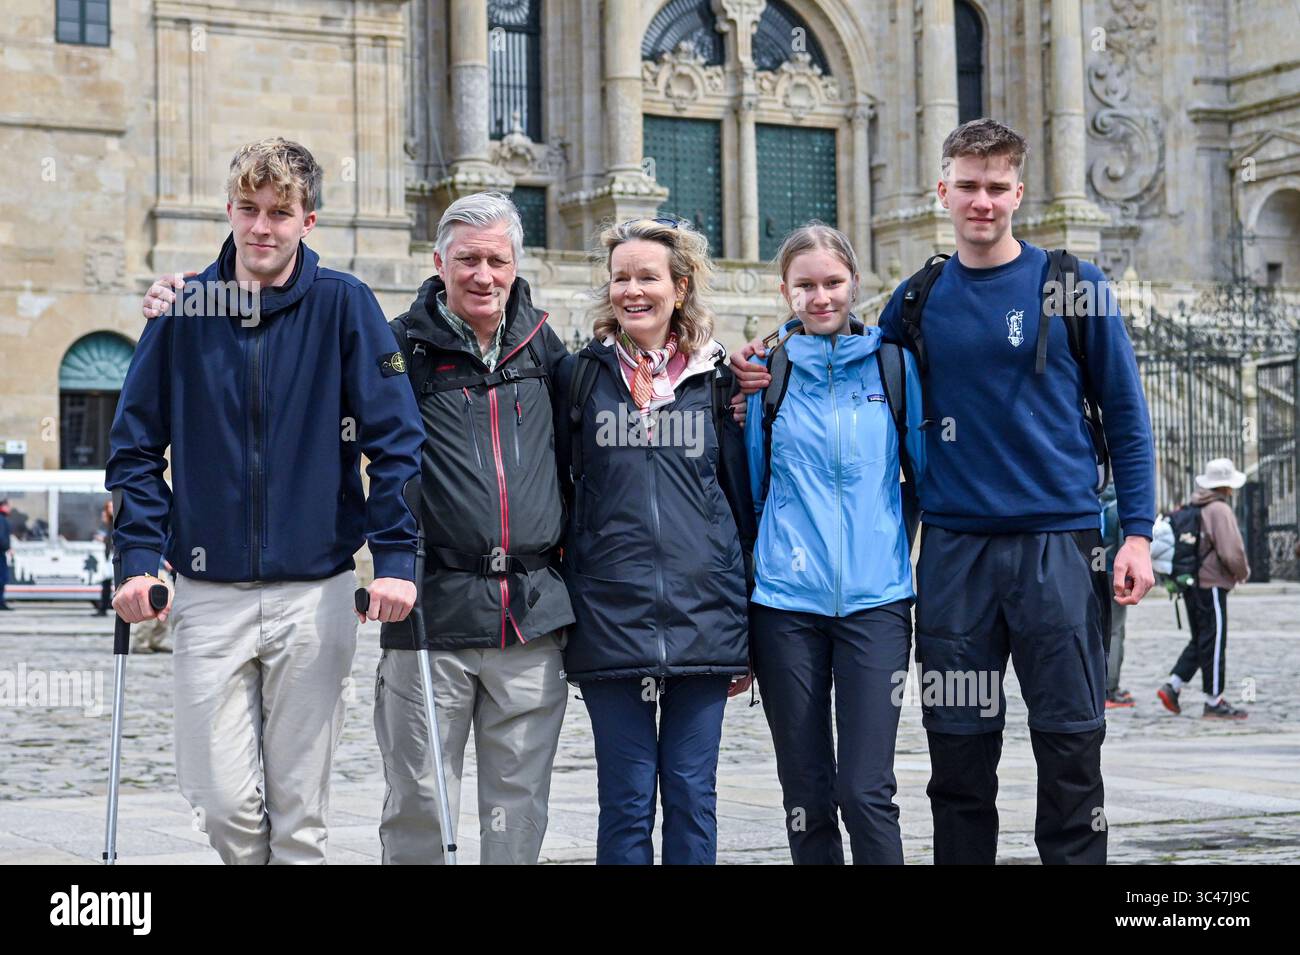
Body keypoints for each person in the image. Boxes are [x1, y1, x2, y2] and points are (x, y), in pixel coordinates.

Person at [733, 118, 1156, 865]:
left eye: (997, 187)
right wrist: (763, 357)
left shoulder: (1073, 286)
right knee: (959, 757)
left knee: (1070, 745)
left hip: (1058, 548)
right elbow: (836, 337)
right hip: (955, 557)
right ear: (943, 191)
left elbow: (1126, 411)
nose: (982, 201)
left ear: (1019, 191)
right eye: (968, 186)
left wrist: (1139, 532)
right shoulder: (919, 297)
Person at [117, 137, 423, 864]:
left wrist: (396, 558)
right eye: (249, 209)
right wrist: (137, 557)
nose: (262, 226)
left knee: (301, 820)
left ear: (306, 221)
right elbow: (133, 446)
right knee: (223, 806)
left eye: (279, 212)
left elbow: (397, 443)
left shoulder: (345, 306)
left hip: (314, 594)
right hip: (206, 590)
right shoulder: (184, 310)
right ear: (230, 210)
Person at [373, 192, 575, 865]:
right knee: (420, 802)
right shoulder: (397, 351)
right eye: (467, 259)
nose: (482, 274)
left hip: (529, 614)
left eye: (496, 259)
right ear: (439, 262)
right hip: (430, 609)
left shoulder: (547, 348)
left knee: (518, 808)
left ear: (517, 263)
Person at [555, 217, 753, 865]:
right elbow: (559, 491)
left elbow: (739, 499)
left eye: (648, 276)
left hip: (704, 621)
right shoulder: (578, 378)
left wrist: (744, 622)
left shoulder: (717, 380)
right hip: (611, 620)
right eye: (621, 277)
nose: (632, 290)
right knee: (627, 798)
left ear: (680, 285)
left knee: (694, 796)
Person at [742, 223, 924, 865]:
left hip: (877, 604)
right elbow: (755, 488)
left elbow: (921, 475)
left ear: (855, 282)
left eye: (833, 282)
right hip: (786, 606)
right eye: (806, 285)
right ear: (785, 291)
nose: (821, 297)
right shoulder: (767, 375)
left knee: (866, 789)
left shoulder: (893, 366)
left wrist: (885, 540)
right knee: (807, 793)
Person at [1157, 458, 1251, 720]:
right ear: (1225, 487)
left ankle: (1173, 686)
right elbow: (1231, 551)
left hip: (1192, 582)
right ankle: (1214, 700)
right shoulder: (1219, 510)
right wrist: (1242, 573)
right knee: (1216, 639)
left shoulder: (1195, 505)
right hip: (1211, 583)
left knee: (1202, 638)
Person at [1100, 483, 1134, 708]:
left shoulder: (1097, 504)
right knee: (1114, 632)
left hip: (1092, 571)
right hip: (1114, 573)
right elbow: (1125, 545)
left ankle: (1097, 686)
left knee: (1095, 630)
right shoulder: (1118, 508)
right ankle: (1110, 690)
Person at [0, 498, 11, 610]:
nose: (9, 509)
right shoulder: (2, 520)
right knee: (1, 578)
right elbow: (1, 537)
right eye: (7, 506)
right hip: (0, 553)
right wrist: (7, 547)